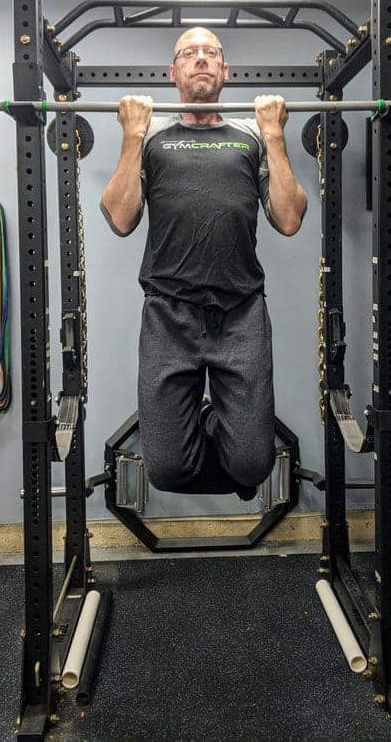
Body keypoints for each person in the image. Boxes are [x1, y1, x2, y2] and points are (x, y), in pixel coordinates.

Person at [100, 27, 307, 500]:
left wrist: (275, 135)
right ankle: (210, 423)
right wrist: (132, 136)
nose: (200, 59)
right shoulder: (152, 138)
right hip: (169, 314)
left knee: (254, 464)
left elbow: (290, 218)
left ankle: (220, 425)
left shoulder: (250, 136)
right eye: (188, 53)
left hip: (241, 313)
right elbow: (120, 216)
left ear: (224, 70)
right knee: (168, 470)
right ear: (173, 72)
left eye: (210, 53)